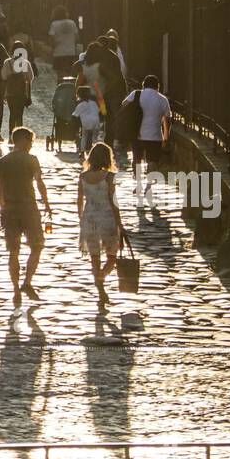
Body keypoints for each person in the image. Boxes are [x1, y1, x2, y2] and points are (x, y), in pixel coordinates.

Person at [0, 127, 51, 307]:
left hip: (10, 207)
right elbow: (39, 183)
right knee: (37, 245)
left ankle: (15, 289)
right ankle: (26, 282)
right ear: (23, 141)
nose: (31, 145)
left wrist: (3, 209)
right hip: (28, 207)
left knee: (13, 251)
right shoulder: (31, 160)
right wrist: (47, 204)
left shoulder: (2, 162)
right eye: (31, 141)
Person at [77, 142, 123, 310]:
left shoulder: (82, 177)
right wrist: (120, 223)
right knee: (112, 257)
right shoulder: (109, 177)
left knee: (94, 258)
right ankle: (101, 277)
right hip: (107, 219)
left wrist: (81, 218)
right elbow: (113, 201)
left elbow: (79, 200)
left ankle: (100, 287)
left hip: (89, 219)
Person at [121, 75, 171, 203]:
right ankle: (148, 186)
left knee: (137, 159)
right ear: (157, 86)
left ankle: (138, 185)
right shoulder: (162, 99)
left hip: (138, 133)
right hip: (155, 135)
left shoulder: (136, 94)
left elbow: (124, 105)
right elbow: (167, 119)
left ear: (143, 84)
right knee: (152, 161)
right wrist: (166, 137)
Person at [1, 42, 34, 138]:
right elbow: (30, 79)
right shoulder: (25, 63)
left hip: (10, 93)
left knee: (12, 114)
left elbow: (3, 77)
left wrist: (4, 94)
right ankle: (19, 137)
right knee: (19, 115)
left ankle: (11, 136)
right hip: (22, 93)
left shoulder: (7, 62)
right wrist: (29, 96)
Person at [48, 6, 80, 78]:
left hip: (58, 53)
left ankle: (61, 87)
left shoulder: (54, 24)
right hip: (71, 52)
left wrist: (53, 48)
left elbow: (51, 39)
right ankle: (70, 87)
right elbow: (77, 38)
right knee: (70, 72)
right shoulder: (72, 23)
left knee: (60, 74)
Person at [73, 85, 102, 154]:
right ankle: (95, 151)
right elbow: (98, 111)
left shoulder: (81, 104)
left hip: (86, 122)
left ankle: (82, 151)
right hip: (96, 121)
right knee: (94, 137)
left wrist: (73, 124)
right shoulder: (93, 103)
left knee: (84, 136)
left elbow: (74, 115)